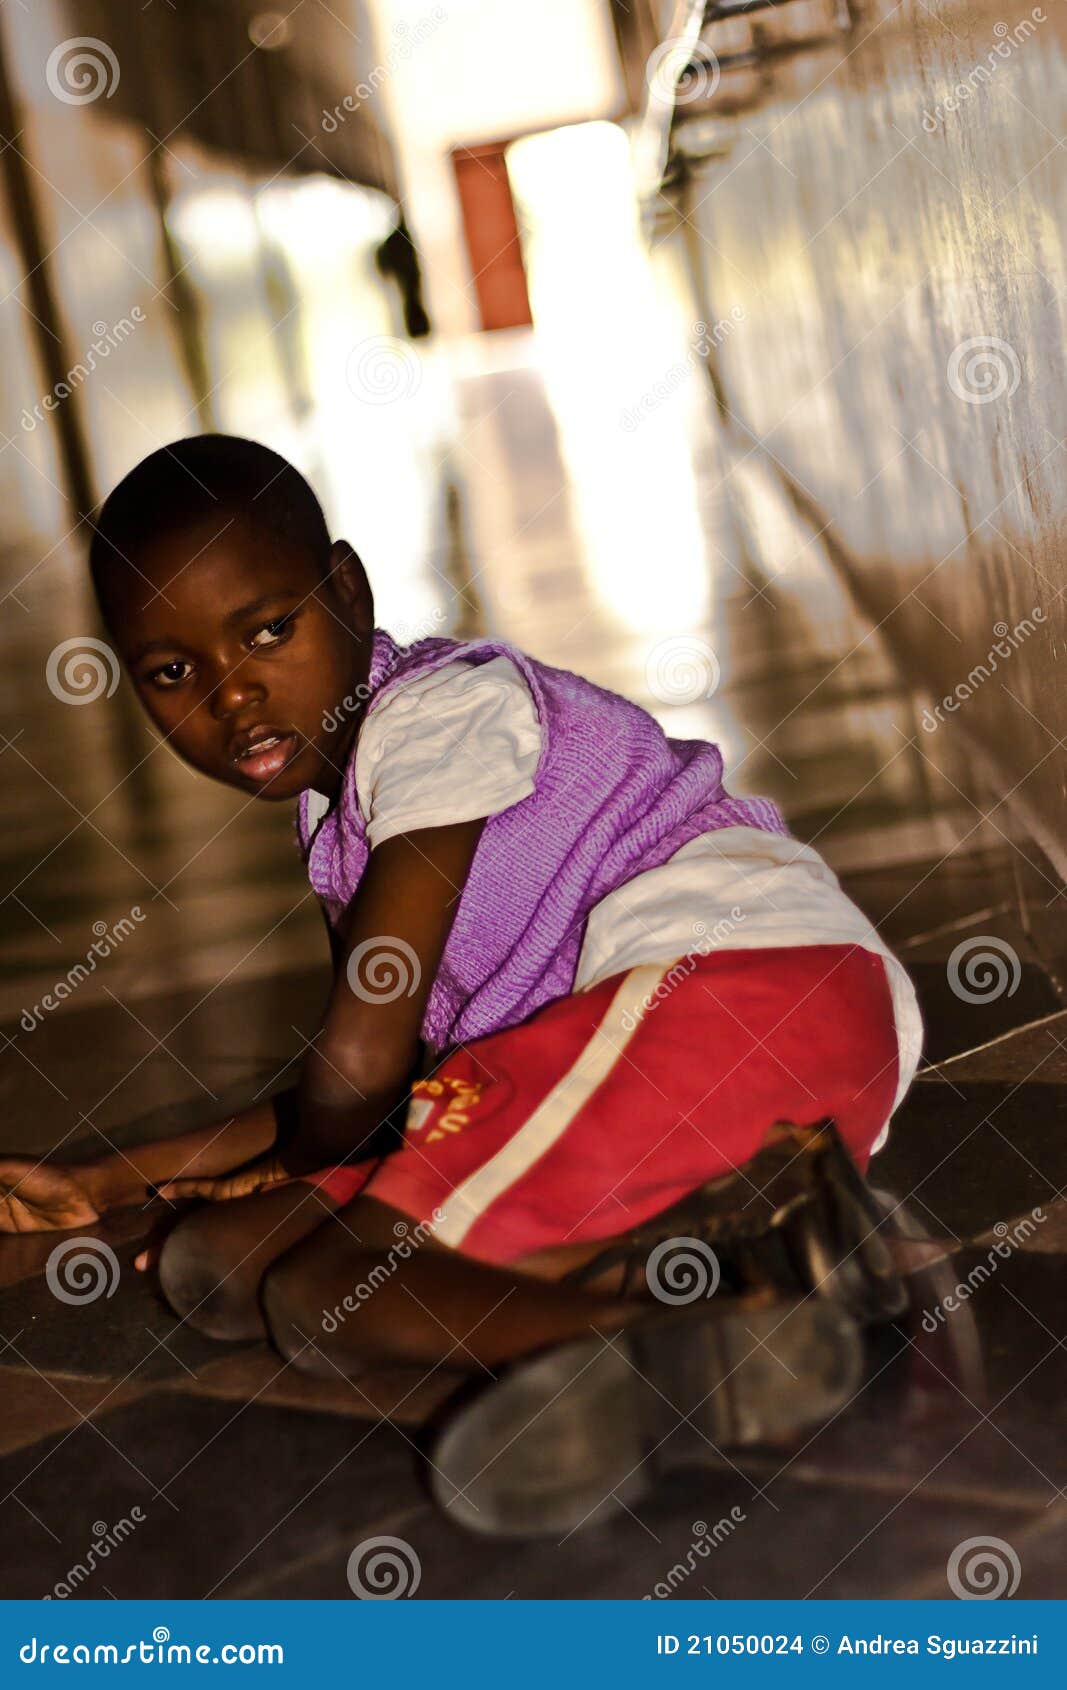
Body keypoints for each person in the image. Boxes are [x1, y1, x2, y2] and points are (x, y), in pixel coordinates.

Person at [0, 436, 921, 1536]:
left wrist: (292, 1160)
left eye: (266, 631)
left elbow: (362, 1056)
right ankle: (715, 1279)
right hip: (635, 1060)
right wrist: (113, 1181)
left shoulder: (438, 718)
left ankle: (716, 1335)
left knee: (321, 1286)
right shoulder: (333, 813)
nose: (231, 693)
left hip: (742, 988)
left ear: (347, 590)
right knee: (218, 1265)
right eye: (170, 671)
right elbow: (375, 1084)